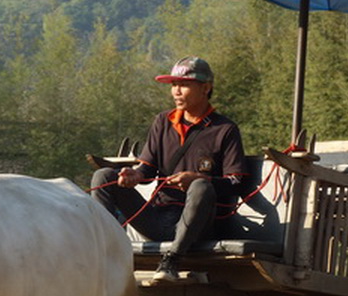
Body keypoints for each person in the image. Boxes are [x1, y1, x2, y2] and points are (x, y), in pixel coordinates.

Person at [91, 56, 247, 283]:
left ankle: (171, 260)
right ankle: (105, 254)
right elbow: (147, 170)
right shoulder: (162, 122)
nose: (176, 91)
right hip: (158, 218)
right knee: (103, 176)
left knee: (201, 186)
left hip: (198, 227)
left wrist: (198, 179)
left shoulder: (225, 130)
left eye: (183, 85)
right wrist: (133, 175)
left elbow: (237, 182)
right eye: (174, 85)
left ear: (206, 88)